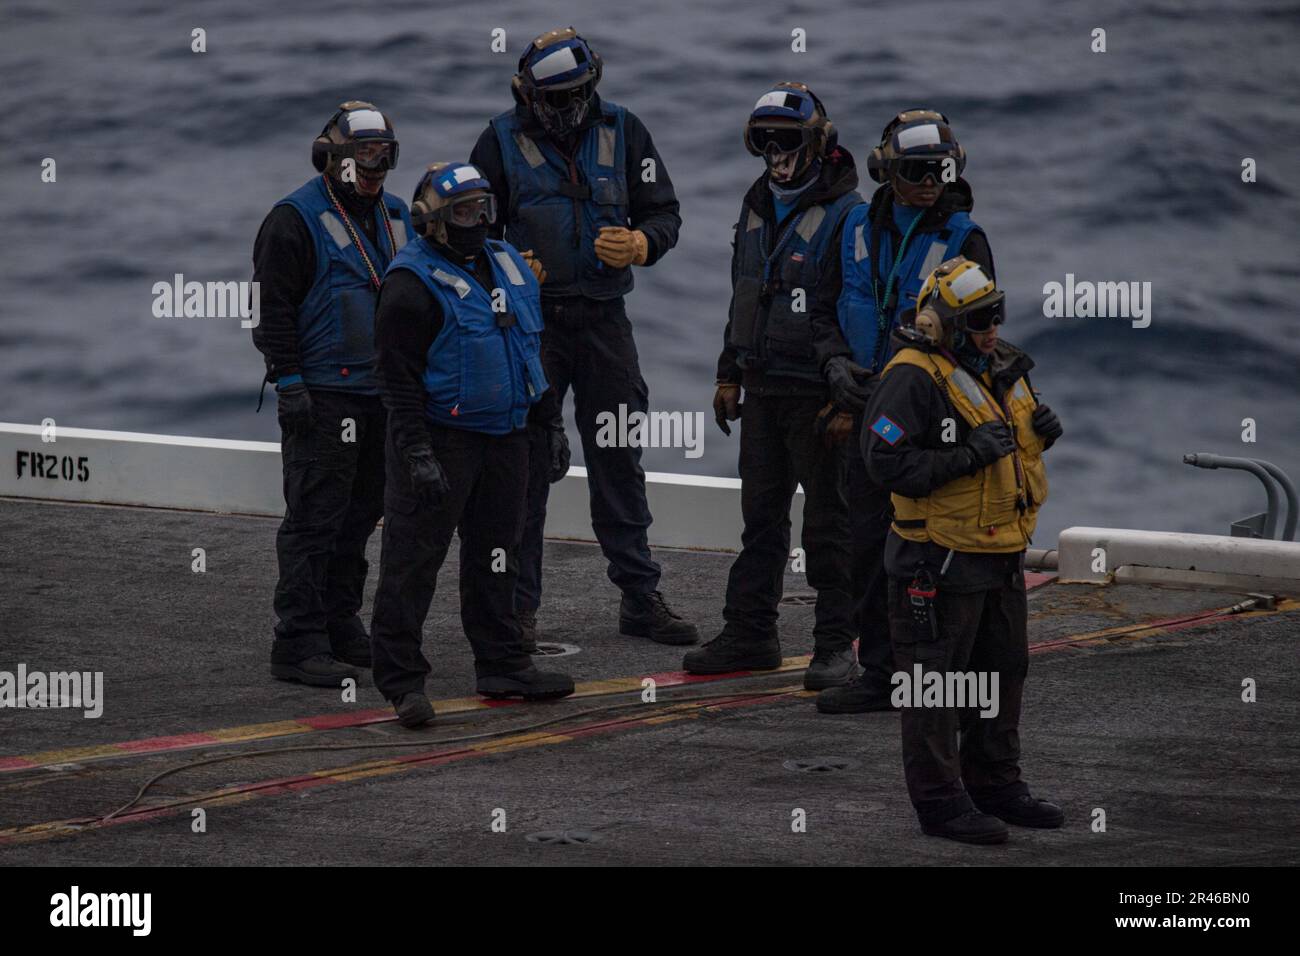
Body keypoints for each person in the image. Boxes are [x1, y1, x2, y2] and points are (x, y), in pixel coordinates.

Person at [469, 27, 698, 649]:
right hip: (531, 328)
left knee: (619, 456)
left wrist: (643, 244)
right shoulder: (498, 141)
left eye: (574, 96)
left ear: (591, 86)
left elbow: (664, 212)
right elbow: (467, 234)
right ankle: (518, 612)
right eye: (551, 99)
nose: (564, 111)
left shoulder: (626, 132)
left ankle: (639, 596)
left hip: (603, 321)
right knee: (528, 465)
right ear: (526, 92)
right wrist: (511, 268)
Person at [862, 255, 1065, 844]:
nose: (992, 330)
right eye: (979, 320)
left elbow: (1010, 442)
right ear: (940, 324)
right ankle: (941, 803)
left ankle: (996, 784)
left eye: (995, 315)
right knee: (935, 686)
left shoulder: (1000, 367)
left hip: (1001, 556)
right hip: (936, 561)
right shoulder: (910, 378)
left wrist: (1041, 430)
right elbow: (884, 463)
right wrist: (966, 455)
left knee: (1003, 673)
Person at [369, 162, 575, 728]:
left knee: (497, 555)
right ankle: (403, 681)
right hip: (440, 439)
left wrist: (551, 423)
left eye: (484, 210)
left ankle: (503, 663)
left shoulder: (507, 263)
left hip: (507, 438)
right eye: (463, 212)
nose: (477, 222)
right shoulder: (410, 285)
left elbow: (530, 351)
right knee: (413, 561)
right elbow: (397, 381)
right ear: (432, 222)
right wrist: (415, 454)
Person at [811, 109, 997, 714]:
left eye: (942, 170)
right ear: (887, 171)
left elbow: (980, 334)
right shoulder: (855, 227)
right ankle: (879, 671)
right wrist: (837, 367)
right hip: (866, 412)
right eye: (917, 171)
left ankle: (935, 673)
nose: (930, 182)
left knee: (925, 548)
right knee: (866, 543)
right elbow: (823, 306)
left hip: (928, 418)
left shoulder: (965, 239)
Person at [682, 82, 862, 690]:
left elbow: (856, 311)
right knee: (760, 519)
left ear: (816, 143)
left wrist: (848, 398)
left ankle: (838, 644)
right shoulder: (757, 203)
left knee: (829, 523)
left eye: (787, 140)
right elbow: (744, 291)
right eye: (765, 141)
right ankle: (751, 633)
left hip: (818, 394)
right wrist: (728, 371)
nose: (776, 152)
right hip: (762, 387)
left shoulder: (848, 216)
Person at [253, 101, 413, 687]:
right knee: (314, 520)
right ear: (333, 159)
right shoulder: (292, 219)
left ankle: (340, 621)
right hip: (322, 396)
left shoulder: (398, 215)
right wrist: (289, 382)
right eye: (362, 157)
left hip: (382, 397)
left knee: (360, 516)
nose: (374, 168)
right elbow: (268, 311)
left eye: (384, 157)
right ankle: (296, 641)